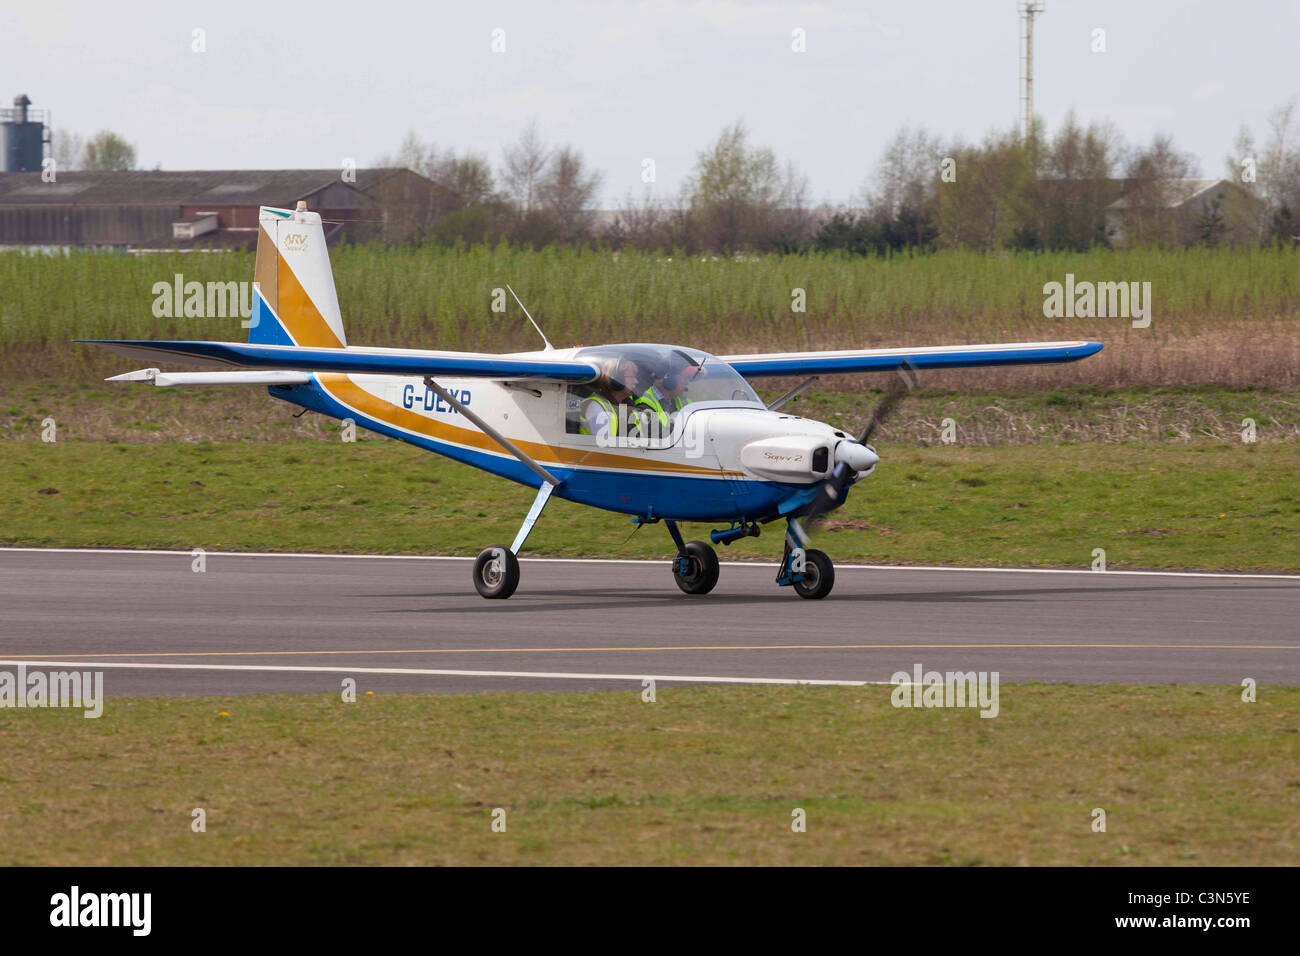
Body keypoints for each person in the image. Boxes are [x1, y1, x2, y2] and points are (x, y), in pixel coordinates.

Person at [634, 354, 701, 432]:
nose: (687, 382)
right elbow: (661, 436)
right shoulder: (644, 406)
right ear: (669, 380)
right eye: (685, 378)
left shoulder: (682, 402)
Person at [580, 357, 640, 440]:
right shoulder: (597, 407)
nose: (636, 381)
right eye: (631, 377)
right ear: (617, 380)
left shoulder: (627, 404)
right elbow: (603, 449)